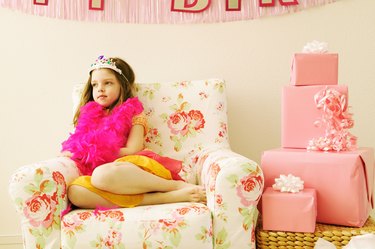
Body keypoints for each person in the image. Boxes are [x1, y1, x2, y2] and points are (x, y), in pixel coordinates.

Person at [61, 55, 206, 209]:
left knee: (102, 174)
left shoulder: (134, 111)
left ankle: (172, 187)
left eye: (108, 83)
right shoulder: (88, 116)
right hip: (105, 181)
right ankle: (162, 198)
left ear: (122, 85)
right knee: (75, 192)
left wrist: (93, 152)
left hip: (131, 169)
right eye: (95, 85)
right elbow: (77, 146)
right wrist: (77, 152)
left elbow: (133, 149)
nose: (100, 89)